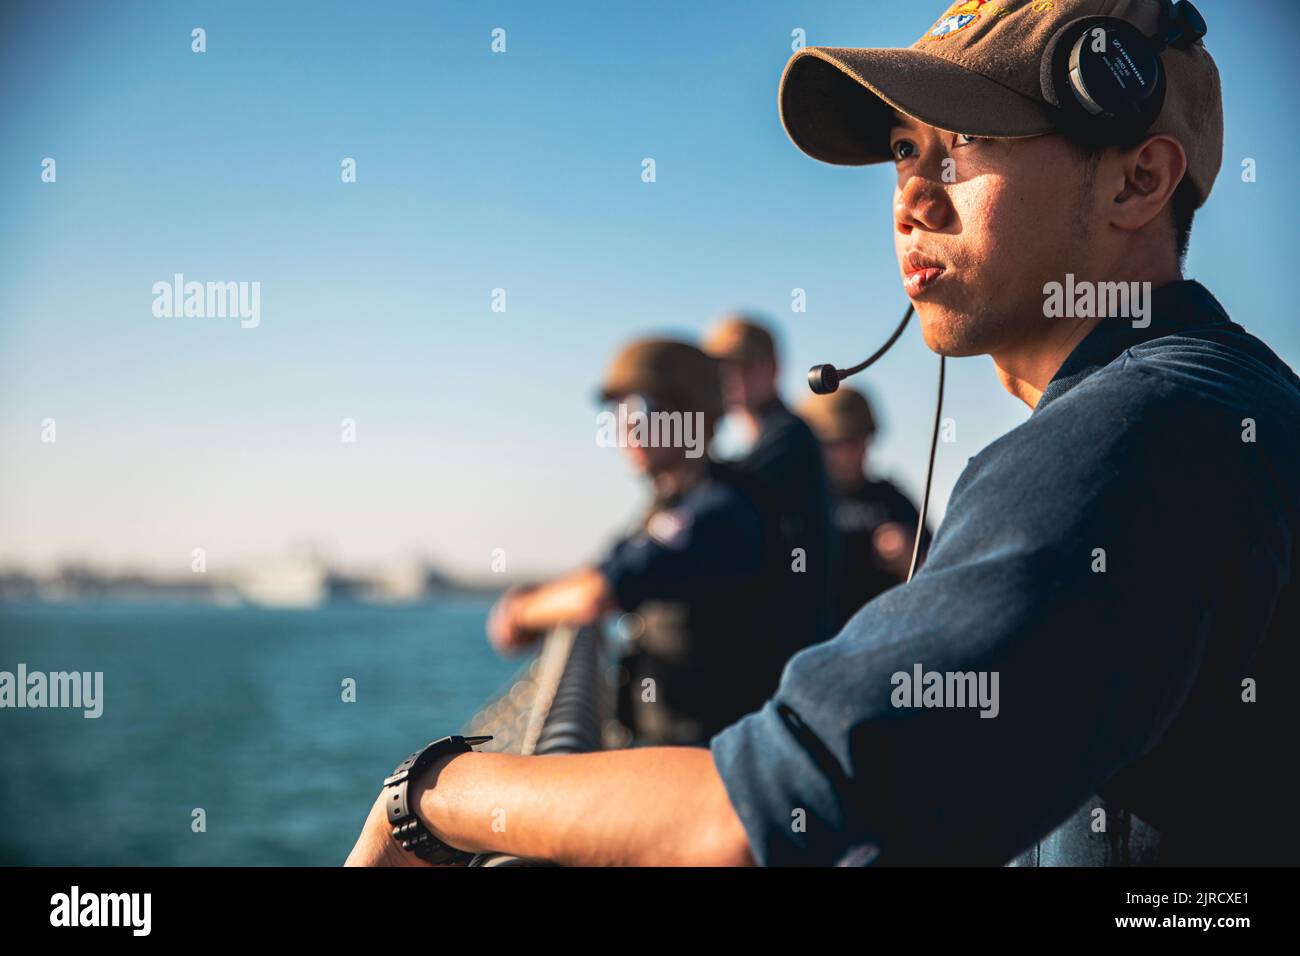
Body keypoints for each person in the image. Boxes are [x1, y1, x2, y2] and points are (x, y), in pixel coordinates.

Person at [349, 0, 1299, 867]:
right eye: (903, 148)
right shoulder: (1220, 403)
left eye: (966, 141)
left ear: (1138, 182)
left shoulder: (1135, 436)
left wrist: (428, 795)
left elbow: (752, 821)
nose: (913, 197)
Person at [484, 338, 791, 747]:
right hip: (670, 754)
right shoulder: (668, 507)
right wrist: (541, 596)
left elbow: (599, 592)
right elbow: (606, 566)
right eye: (618, 411)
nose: (626, 425)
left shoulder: (722, 511)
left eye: (641, 408)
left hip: (712, 766)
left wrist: (519, 612)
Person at [702, 316, 838, 647]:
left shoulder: (789, 437)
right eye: (724, 370)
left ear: (773, 368)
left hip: (793, 641)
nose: (733, 379)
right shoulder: (762, 441)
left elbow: (725, 495)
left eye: (746, 367)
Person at [799, 387, 930, 630]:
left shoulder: (892, 502)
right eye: (838, 443)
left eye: (859, 439)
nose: (853, 452)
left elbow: (939, 587)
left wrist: (910, 560)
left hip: (881, 643)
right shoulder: (796, 503)